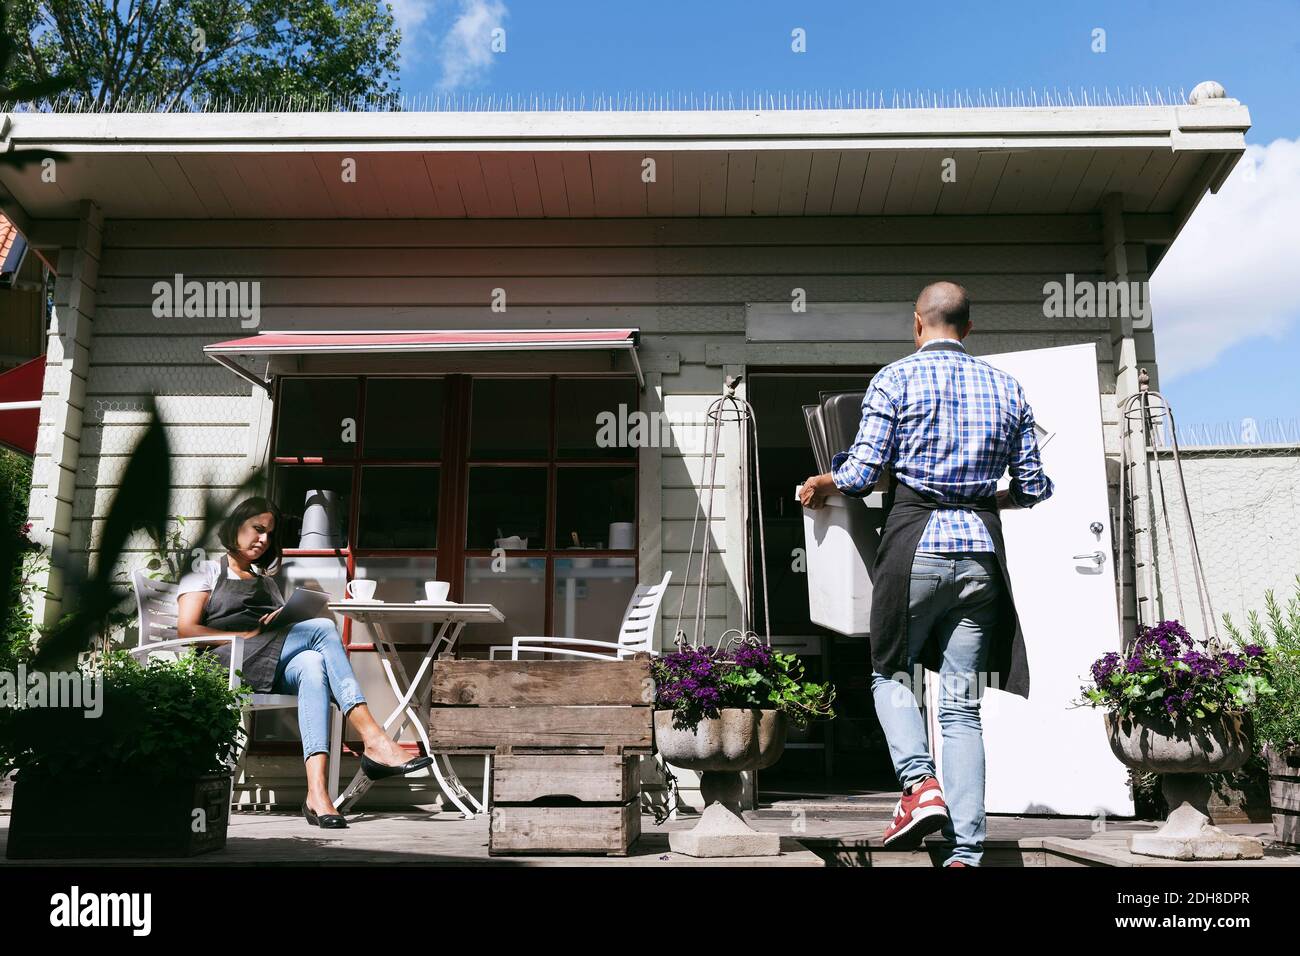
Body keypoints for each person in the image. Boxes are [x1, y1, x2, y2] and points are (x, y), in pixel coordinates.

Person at [798, 281, 1053, 867]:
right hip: (982, 559)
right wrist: (983, 499)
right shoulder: (1008, 387)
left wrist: (823, 480)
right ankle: (966, 850)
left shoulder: (894, 379)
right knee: (961, 705)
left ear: (918, 323)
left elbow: (862, 474)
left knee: (889, 673)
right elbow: (1035, 488)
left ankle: (919, 786)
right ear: (968, 328)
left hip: (916, 546)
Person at [177, 496, 433, 829]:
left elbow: (277, 638)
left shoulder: (265, 580)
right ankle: (375, 740)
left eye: (270, 534)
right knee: (324, 628)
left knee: (312, 663)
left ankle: (317, 794)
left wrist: (277, 621)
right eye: (257, 529)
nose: (264, 540)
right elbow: (187, 630)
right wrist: (249, 633)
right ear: (235, 526)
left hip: (263, 661)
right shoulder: (207, 569)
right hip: (225, 663)